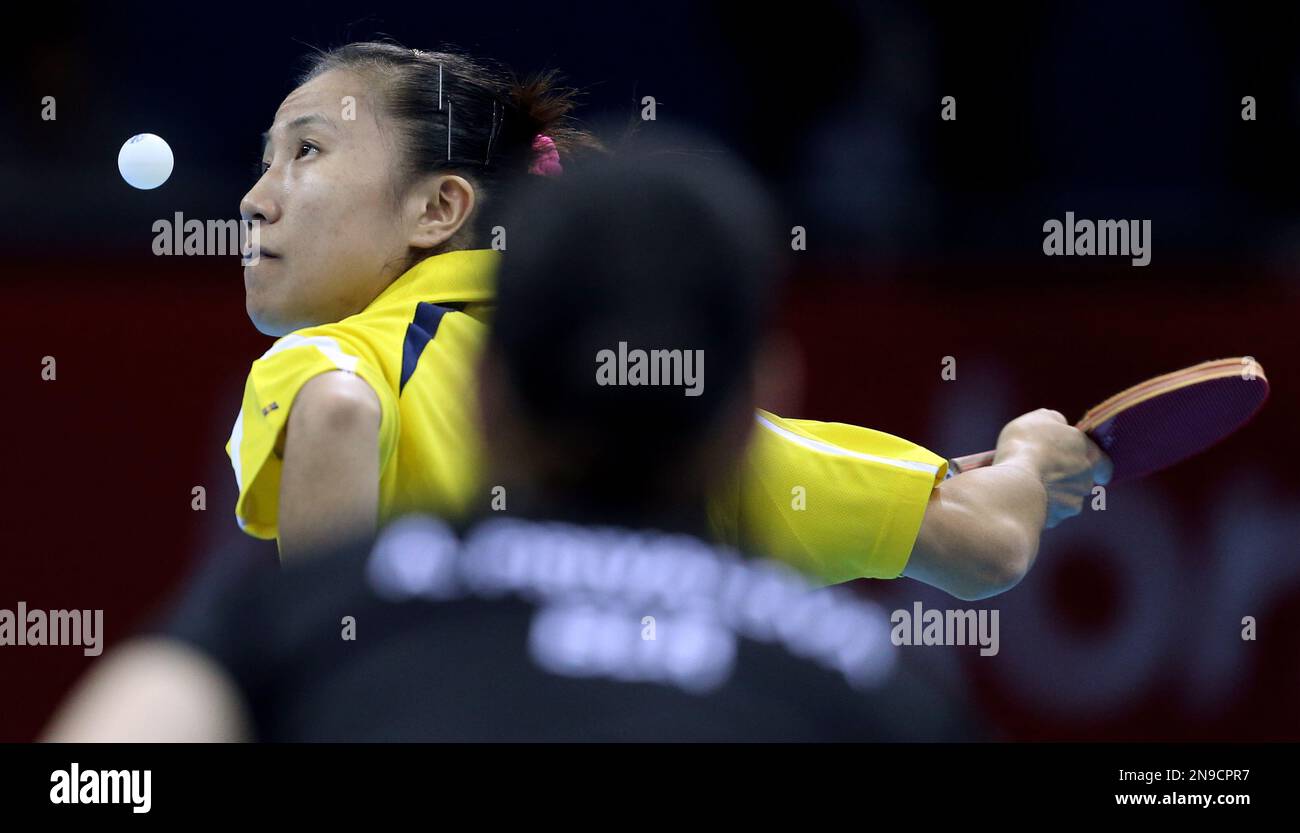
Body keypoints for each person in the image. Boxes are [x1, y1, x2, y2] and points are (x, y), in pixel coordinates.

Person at [44, 152, 976, 741]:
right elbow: (990, 539)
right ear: (757, 411)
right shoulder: (864, 685)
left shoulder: (304, 626)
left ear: (484, 394)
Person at [232, 40, 1109, 597]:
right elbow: (987, 542)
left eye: (304, 151)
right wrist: (1033, 456)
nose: (254, 198)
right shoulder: (664, 415)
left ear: (440, 207)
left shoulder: (334, 365)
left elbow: (339, 413)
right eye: (263, 159)